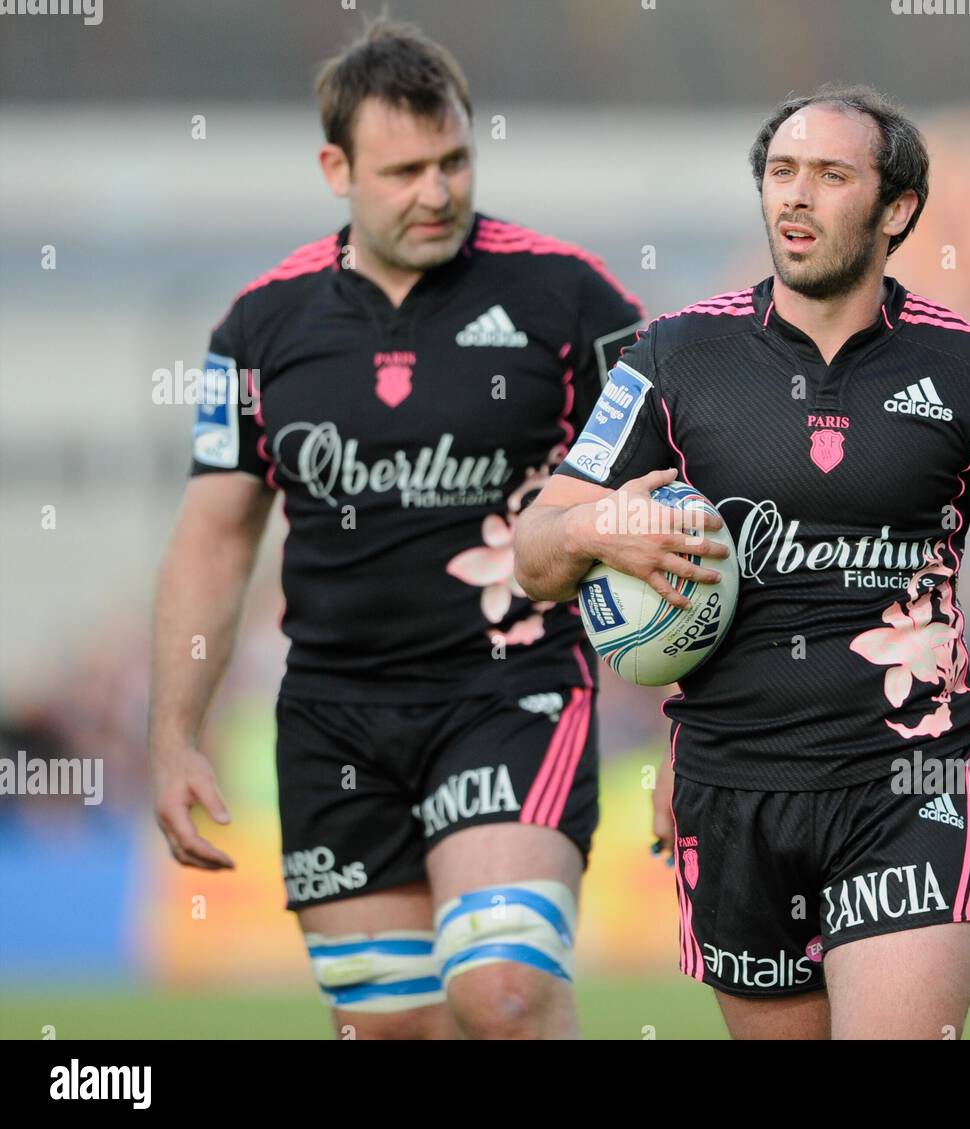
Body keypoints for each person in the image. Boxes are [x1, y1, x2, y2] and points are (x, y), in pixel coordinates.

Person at [513, 84, 970, 1040]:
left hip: (908, 787)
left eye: (832, 176)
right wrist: (598, 531)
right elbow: (535, 553)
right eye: (781, 173)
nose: (795, 196)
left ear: (896, 210)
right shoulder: (671, 359)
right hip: (733, 792)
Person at [148, 18, 642, 1040]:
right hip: (334, 715)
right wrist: (173, 732)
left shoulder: (571, 299)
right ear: (336, 168)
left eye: (455, 160)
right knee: (392, 1029)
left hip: (511, 688)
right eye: (405, 169)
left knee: (502, 995)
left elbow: (668, 493)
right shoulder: (259, 326)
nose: (438, 191)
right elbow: (215, 535)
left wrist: (697, 711)